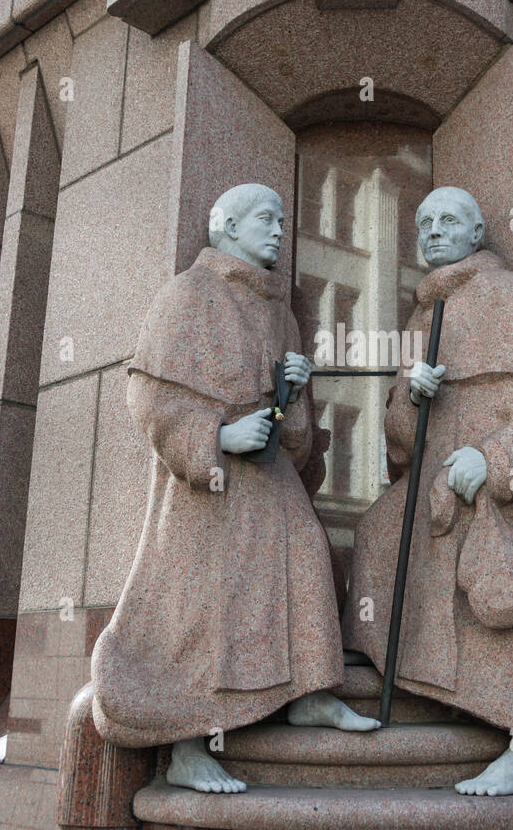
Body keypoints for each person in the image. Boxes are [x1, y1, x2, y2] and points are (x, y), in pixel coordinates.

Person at [92, 183, 378, 794]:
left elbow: (294, 439)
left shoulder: (280, 312)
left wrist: (291, 395)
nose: (278, 230)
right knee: (197, 605)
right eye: (264, 219)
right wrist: (216, 434)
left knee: (307, 551)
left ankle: (310, 690)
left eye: (281, 219)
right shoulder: (186, 294)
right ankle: (189, 745)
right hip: (208, 487)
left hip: (269, 479)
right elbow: (149, 398)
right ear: (224, 225)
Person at [342, 186, 513, 795]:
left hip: (488, 485)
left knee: (507, 598)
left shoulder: (511, 295)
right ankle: (412, 682)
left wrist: (496, 461)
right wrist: (410, 398)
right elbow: (400, 444)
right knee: (375, 533)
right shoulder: (424, 315)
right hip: (430, 486)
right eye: (423, 222)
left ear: (478, 234)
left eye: (449, 220)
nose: (433, 231)